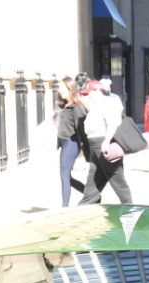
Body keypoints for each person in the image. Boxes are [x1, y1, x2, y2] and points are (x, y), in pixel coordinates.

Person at [79, 80, 133, 204]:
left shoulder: (107, 103)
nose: (88, 95)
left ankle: (129, 207)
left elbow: (112, 123)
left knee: (118, 180)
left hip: (103, 144)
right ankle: (85, 205)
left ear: (97, 90)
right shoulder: (96, 105)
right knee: (93, 182)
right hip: (95, 147)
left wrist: (107, 141)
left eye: (90, 92)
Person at [54, 76, 87, 207]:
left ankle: (64, 207)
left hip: (71, 144)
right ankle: (91, 195)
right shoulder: (65, 105)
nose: (59, 90)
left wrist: (84, 148)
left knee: (64, 175)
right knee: (67, 177)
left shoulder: (76, 107)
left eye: (61, 88)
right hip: (65, 143)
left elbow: (81, 127)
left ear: (70, 89)